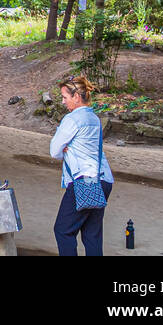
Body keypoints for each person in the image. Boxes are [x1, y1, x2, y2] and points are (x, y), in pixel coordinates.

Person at [49, 75, 114, 256]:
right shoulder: (94, 118)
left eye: (64, 97)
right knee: (92, 235)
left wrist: (66, 149)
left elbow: (54, 150)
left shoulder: (72, 119)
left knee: (63, 230)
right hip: (103, 179)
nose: (63, 102)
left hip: (85, 181)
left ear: (76, 97)